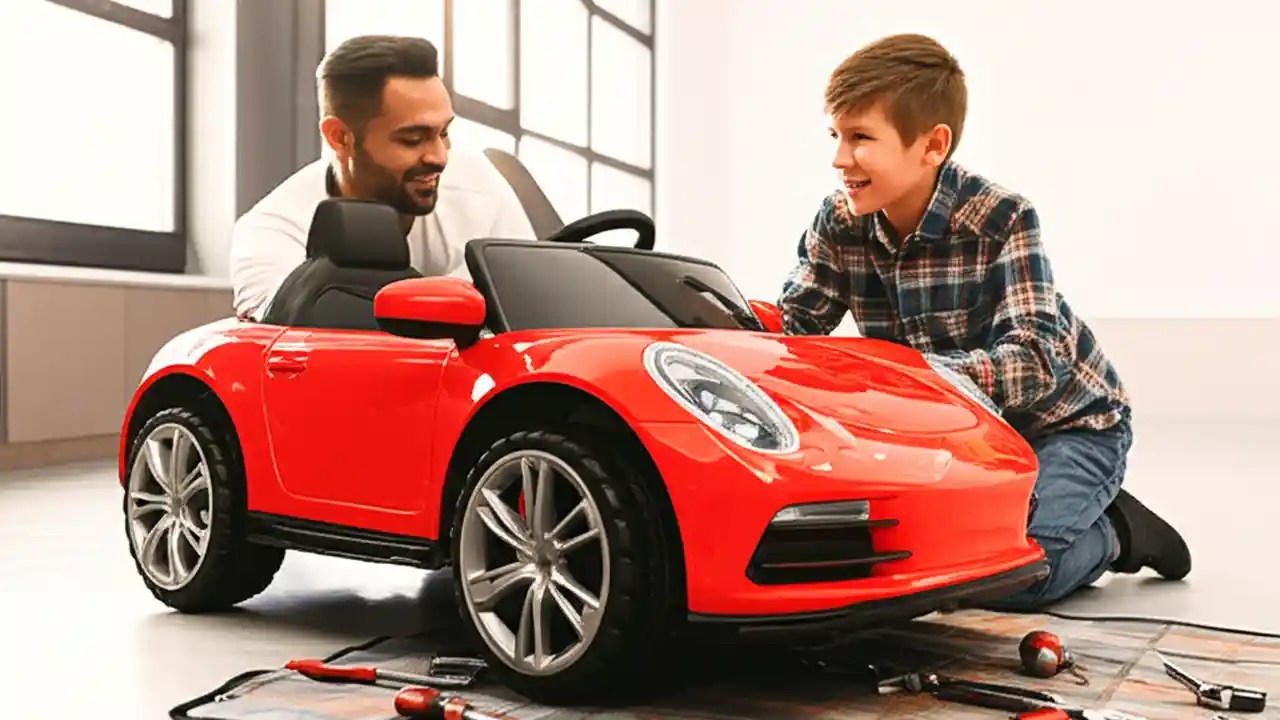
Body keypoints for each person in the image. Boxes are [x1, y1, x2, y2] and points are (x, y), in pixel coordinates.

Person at [777, 33, 1191, 610]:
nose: (839, 160)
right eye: (836, 137)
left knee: (1018, 578)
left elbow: (1039, 362)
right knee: (924, 567)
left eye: (860, 138)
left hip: (1065, 424)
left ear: (932, 145)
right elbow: (795, 328)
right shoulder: (838, 222)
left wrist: (912, 375)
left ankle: (1118, 530)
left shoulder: (1002, 218)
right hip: (970, 438)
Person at [230, 35, 535, 321]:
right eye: (413, 139)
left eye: (443, 133)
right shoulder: (273, 234)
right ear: (339, 138)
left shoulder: (479, 187)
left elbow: (529, 306)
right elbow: (302, 342)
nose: (440, 156)